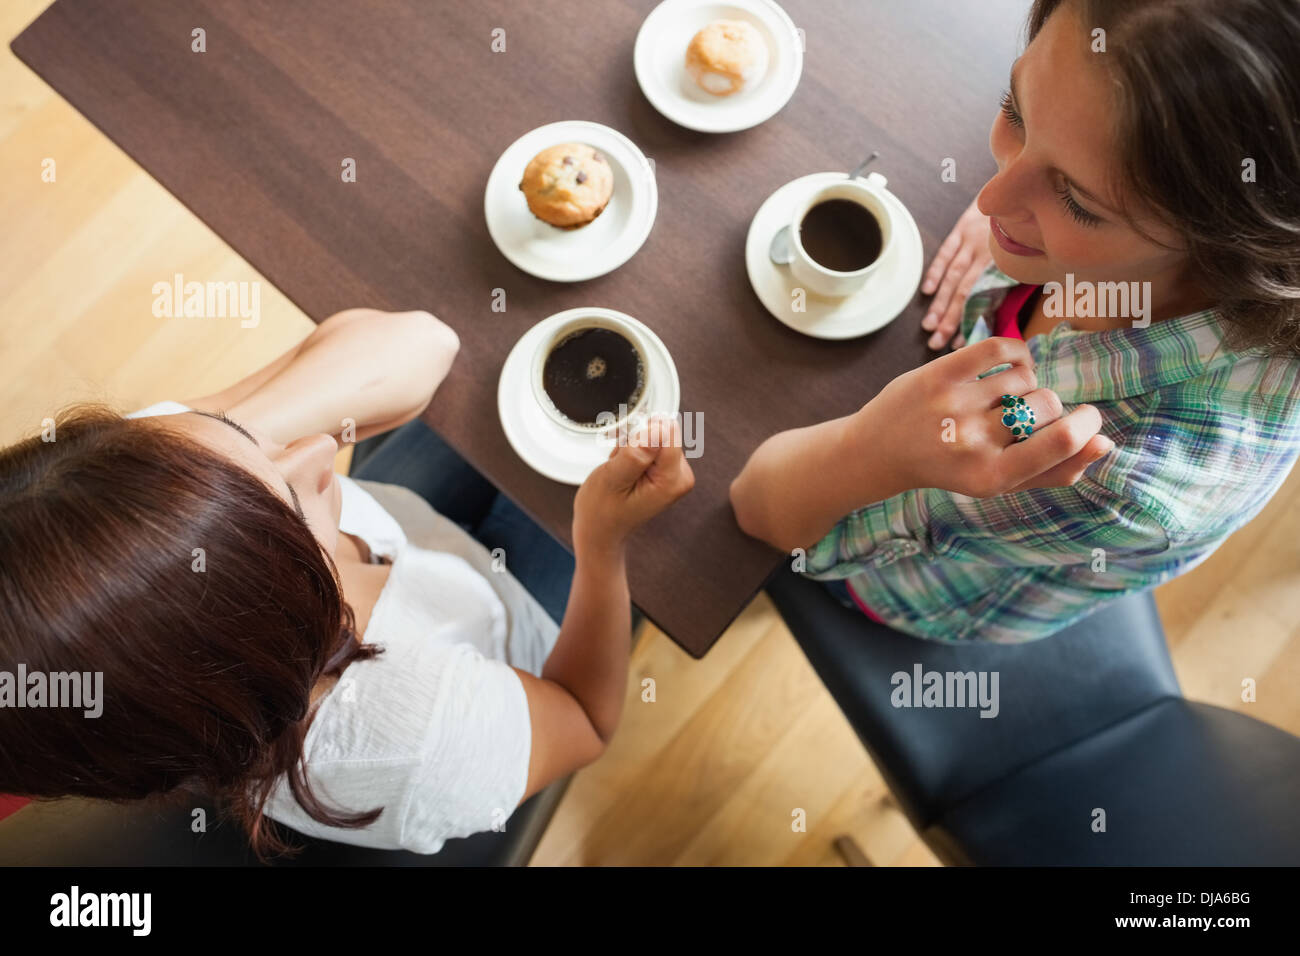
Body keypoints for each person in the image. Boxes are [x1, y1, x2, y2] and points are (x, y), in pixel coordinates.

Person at [0, 307, 694, 856]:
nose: (322, 446)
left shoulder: (123, 490)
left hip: (423, 541)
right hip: (521, 651)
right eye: (285, 504)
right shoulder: (417, 743)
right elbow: (586, 719)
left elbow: (421, 342)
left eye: (240, 443)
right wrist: (601, 545)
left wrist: (220, 454)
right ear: (266, 627)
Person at [730, 0, 1300, 643]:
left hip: (897, 583)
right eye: (1017, 112)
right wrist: (1036, 220)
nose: (988, 199)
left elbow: (765, 515)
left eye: (1079, 203)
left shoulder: (1111, 475)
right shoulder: (1147, 220)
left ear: (1231, 245)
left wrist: (870, 448)